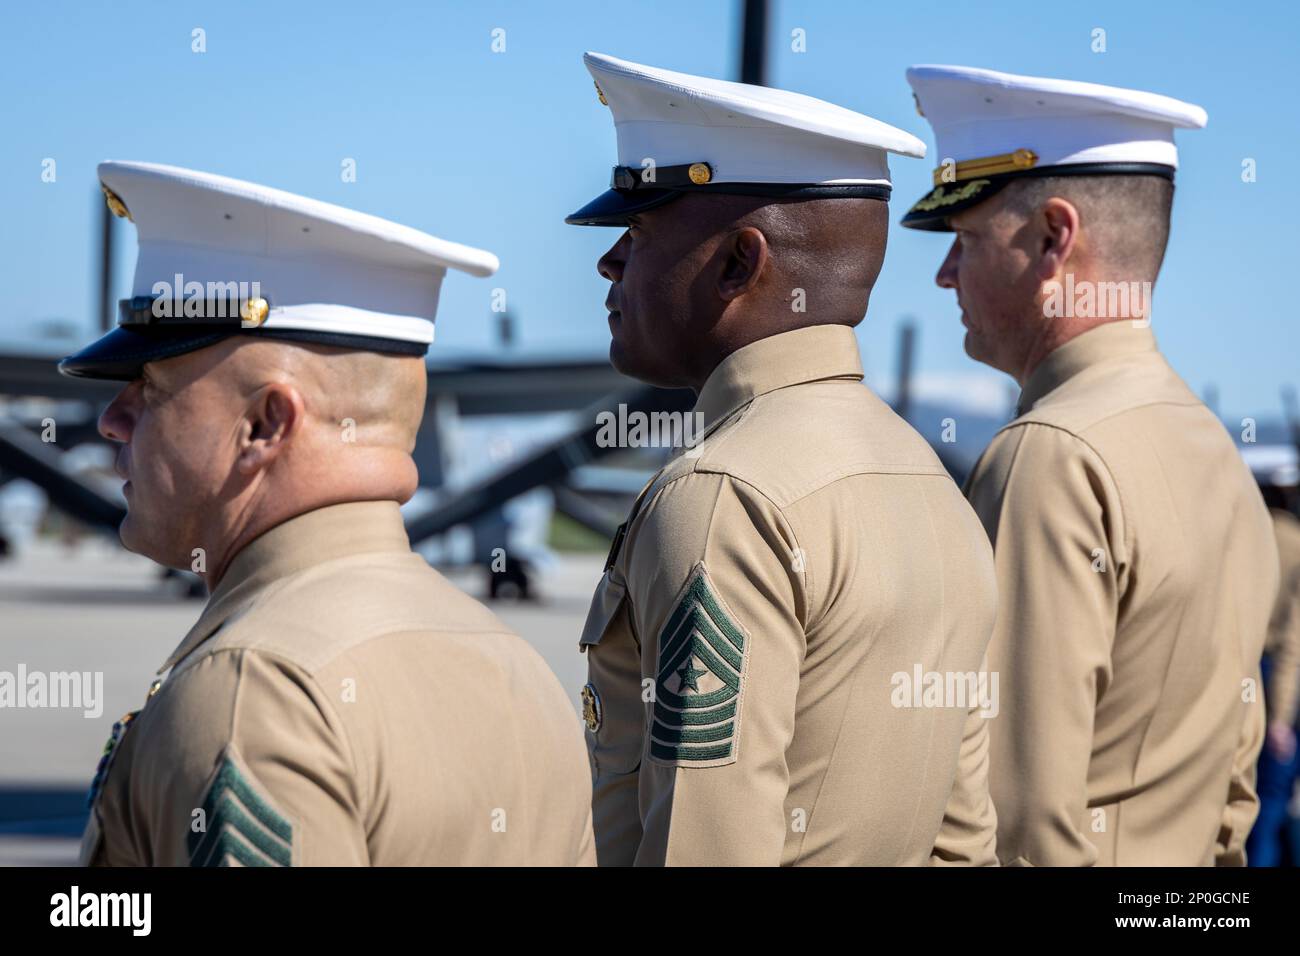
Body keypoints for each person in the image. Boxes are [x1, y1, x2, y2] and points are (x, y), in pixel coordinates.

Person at [63, 161, 595, 866]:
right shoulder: (519, 669)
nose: (111, 421)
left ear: (264, 425)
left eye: (151, 389)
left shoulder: (251, 695)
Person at [567, 52, 1000, 866]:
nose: (610, 260)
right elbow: (965, 843)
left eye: (641, 230)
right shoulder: (933, 487)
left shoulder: (724, 496)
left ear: (739, 262)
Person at [904, 64, 1278, 865]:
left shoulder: (1050, 456)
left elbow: (1015, 819)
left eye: (966, 239)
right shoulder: (1216, 449)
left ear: (1053, 240)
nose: (944, 274)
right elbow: (1232, 799)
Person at [1247, 465, 1300, 865]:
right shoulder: (1294, 543)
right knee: (1273, 798)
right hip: (1277, 676)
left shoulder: (1244, 535)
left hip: (1245, 669)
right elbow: (1292, 645)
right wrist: (1281, 717)